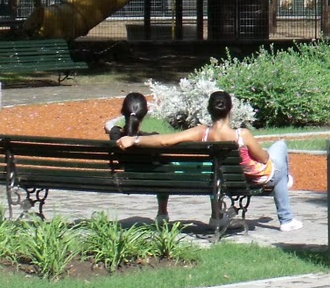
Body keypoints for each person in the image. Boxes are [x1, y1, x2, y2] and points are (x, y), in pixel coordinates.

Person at [118, 90, 301, 232]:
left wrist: (135, 140)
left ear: (209, 110)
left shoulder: (202, 132)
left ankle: (286, 197)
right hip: (256, 177)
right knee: (280, 148)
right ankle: (286, 216)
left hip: (224, 179)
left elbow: (166, 140)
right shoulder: (242, 135)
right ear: (230, 110)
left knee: (280, 167)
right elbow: (264, 159)